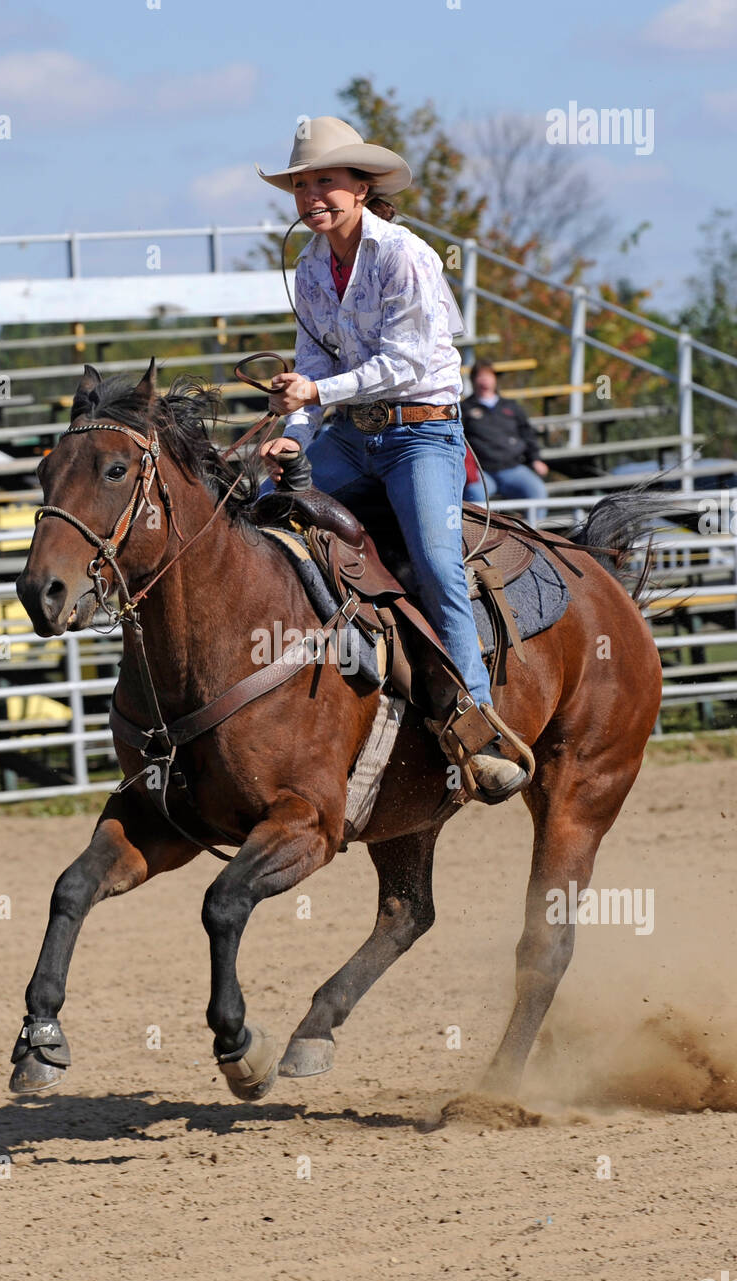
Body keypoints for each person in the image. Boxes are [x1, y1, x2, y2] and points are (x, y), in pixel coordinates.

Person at [254, 116, 530, 802]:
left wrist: (318, 391)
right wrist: (298, 430)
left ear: (363, 186)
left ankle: (477, 730)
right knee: (270, 519)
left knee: (438, 565)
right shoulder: (313, 267)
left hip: (422, 434)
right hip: (352, 432)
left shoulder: (406, 254)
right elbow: (313, 365)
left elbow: (406, 363)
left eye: (326, 181)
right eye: (302, 184)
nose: (313, 194)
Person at [461, 360, 549, 524]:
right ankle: (477, 542)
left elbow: (527, 433)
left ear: (494, 379)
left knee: (538, 490)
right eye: (480, 376)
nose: (484, 380)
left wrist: (535, 459)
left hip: (512, 468)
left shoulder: (510, 406)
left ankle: (535, 538)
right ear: (473, 380)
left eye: (488, 376)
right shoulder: (465, 408)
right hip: (482, 471)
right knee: (474, 495)